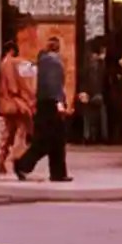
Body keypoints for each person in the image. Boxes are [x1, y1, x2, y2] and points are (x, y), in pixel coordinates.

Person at [14, 37, 72, 182]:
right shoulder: (55, 62)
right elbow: (55, 88)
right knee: (48, 140)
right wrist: (61, 105)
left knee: (55, 141)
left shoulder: (42, 61)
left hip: (43, 104)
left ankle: (58, 173)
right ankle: (22, 165)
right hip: (52, 105)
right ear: (57, 48)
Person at [0, 41, 35, 175]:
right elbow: (14, 86)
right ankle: (16, 156)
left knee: (8, 132)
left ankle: (2, 157)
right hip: (15, 103)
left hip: (6, 103)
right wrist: (26, 98)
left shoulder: (3, 63)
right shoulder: (11, 63)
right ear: (12, 50)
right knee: (22, 130)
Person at [78, 38, 108, 145]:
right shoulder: (98, 66)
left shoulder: (93, 66)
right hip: (95, 92)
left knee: (91, 115)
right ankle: (95, 136)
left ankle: (90, 136)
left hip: (93, 92)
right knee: (96, 115)